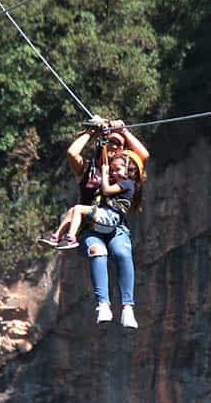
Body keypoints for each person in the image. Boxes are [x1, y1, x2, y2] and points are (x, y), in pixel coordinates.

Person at [60, 118, 150, 328]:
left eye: (118, 145)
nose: (114, 147)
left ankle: (127, 308)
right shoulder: (88, 169)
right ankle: (103, 305)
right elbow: (72, 153)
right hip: (90, 228)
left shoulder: (124, 172)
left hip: (115, 227)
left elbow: (144, 155)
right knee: (97, 250)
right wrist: (91, 132)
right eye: (110, 142)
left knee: (122, 252)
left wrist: (123, 130)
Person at [40, 148, 141, 251]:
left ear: (128, 169)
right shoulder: (119, 182)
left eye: (117, 169)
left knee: (78, 208)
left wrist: (105, 172)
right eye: (112, 170)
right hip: (104, 216)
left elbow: (106, 190)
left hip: (110, 218)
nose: (114, 173)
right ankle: (56, 236)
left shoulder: (127, 183)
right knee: (73, 210)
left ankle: (71, 238)